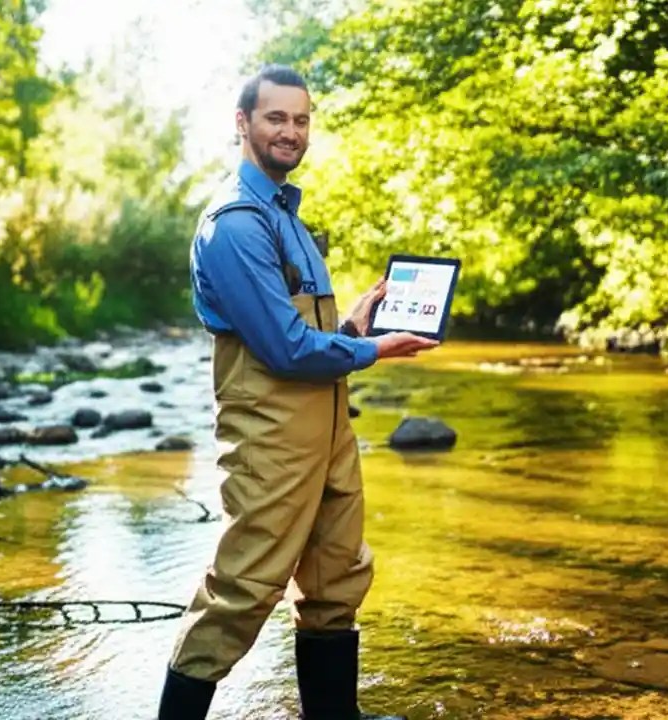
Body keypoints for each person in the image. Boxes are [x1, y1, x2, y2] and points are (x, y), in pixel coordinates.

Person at [157, 64, 436, 720]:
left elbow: (297, 332)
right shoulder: (234, 223)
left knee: (337, 580)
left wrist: (350, 326)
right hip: (270, 437)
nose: (290, 131)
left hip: (328, 430)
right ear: (243, 124)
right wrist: (372, 350)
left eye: (301, 119)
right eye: (275, 117)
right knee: (241, 593)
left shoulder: (288, 217)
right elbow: (282, 350)